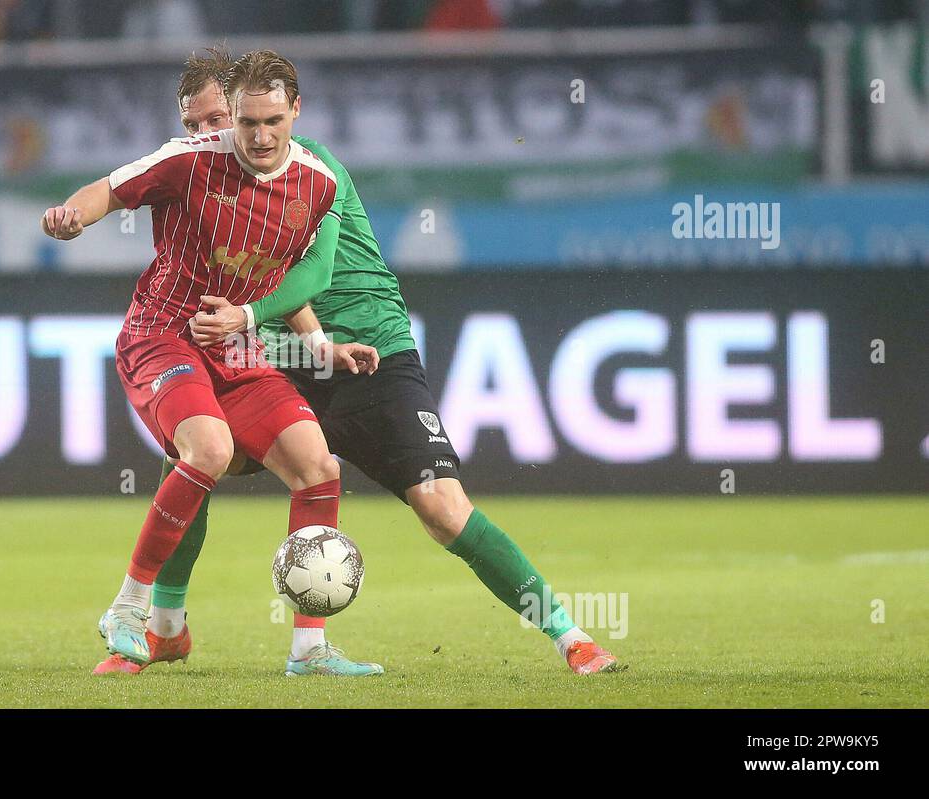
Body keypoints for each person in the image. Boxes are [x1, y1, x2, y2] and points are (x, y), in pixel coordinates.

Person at [97, 47, 622, 677]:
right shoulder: (207, 177)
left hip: (370, 349)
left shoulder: (307, 171)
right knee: (196, 456)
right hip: (282, 353)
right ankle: (165, 629)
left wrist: (269, 327)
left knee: (440, 505)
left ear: (275, 112)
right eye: (198, 126)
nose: (208, 136)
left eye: (218, 119)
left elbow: (309, 275)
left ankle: (569, 636)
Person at [43, 49, 383, 676]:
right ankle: (130, 609)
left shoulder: (317, 183)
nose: (255, 135)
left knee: (318, 464)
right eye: (239, 123)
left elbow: (281, 278)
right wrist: (72, 217)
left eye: (267, 121)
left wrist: (319, 347)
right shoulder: (187, 162)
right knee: (208, 449)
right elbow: (108, 191)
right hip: (164, 336)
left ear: (292, 113)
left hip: (237, 349)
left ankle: (308, 648)